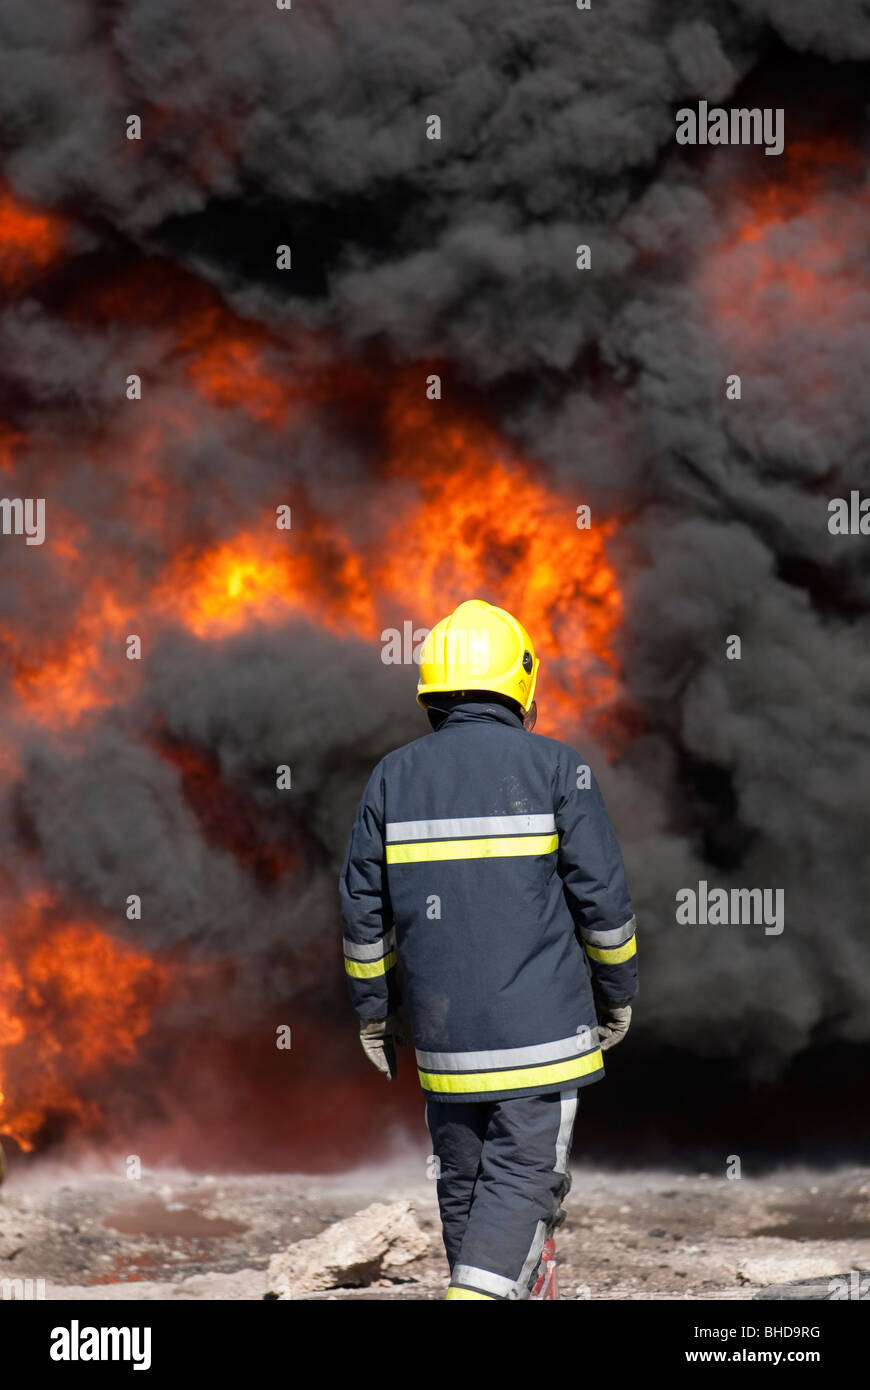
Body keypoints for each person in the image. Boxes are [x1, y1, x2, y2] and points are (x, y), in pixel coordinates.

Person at [340, 598, 637, 1300]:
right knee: (524, 1183)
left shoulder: (391, 777)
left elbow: (362, 915)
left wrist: (375, 1015)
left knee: (466, 1183)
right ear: (522, 684)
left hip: (446, 1046)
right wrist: (618, 994)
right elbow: (603, 903)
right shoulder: (557, 769)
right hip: (541, 1040)